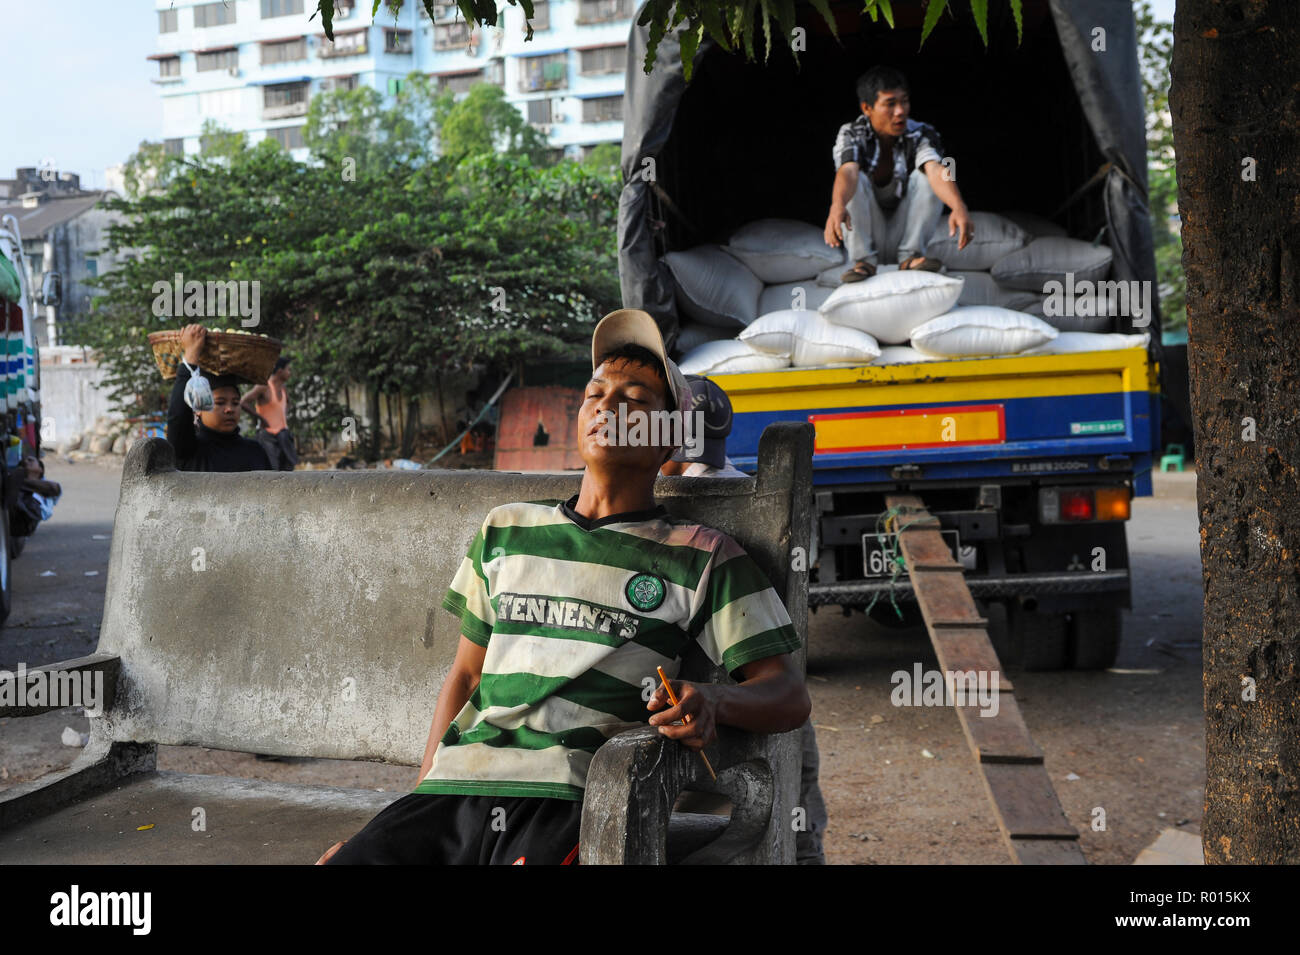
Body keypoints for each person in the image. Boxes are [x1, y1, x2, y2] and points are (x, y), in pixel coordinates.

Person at [318, 308, 811, 865]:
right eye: (595, 392)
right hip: (453, 790)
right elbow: (467, 674)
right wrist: (415, 806)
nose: (608, 404)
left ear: (672, 439)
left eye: (636, 398)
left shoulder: (701, 557)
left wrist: (716, 700)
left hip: (570, 798)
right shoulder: (505, 529)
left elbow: (789, 696)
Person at [659, 375, 829, 865]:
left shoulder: (669, 508)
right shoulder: (751, 491)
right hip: (767, 694)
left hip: (715, 701)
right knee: (792, 817)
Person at [823, 65, 974, 282]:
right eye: (890, 104)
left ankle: (911, 257)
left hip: (903, 232)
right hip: (868, 233)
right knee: (855, 180)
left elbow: (935, 169)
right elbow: (848, 171)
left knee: (925, 176)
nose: (900, 111)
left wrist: (958, 206)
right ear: (867, 108)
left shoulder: (921, 132)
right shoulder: (852, 132)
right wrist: (837, 206)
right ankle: (863, 261)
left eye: (904, 101)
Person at [165, 323, 271, 473]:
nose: (229, 409)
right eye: (220, 402)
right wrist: (190, 355)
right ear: (198, 409)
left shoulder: (255, 451)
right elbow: (177, 417)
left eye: (235, 403)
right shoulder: (189, 450)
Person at [241, 356, 298, 471]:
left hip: (283, 434)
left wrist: (283, 417)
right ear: (279, 371)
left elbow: (287, 403)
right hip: (267, 436)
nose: (290, 373)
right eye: (288, 370)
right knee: (271, 469)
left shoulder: (283, 389)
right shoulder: (264, 387)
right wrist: (260, 418)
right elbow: (243, 402)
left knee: (288, 467)